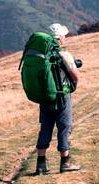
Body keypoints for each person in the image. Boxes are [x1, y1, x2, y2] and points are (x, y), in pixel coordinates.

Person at [34, 23, 82, 175]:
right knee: (64, 126)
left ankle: (41, 165)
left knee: (46, 128)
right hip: (62, 96)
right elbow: (75, 75)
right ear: (60, 38)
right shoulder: (64, 55)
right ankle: (65, 163)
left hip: (45, 97)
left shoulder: (41, 55)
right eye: (64, 36)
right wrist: (73, 84)